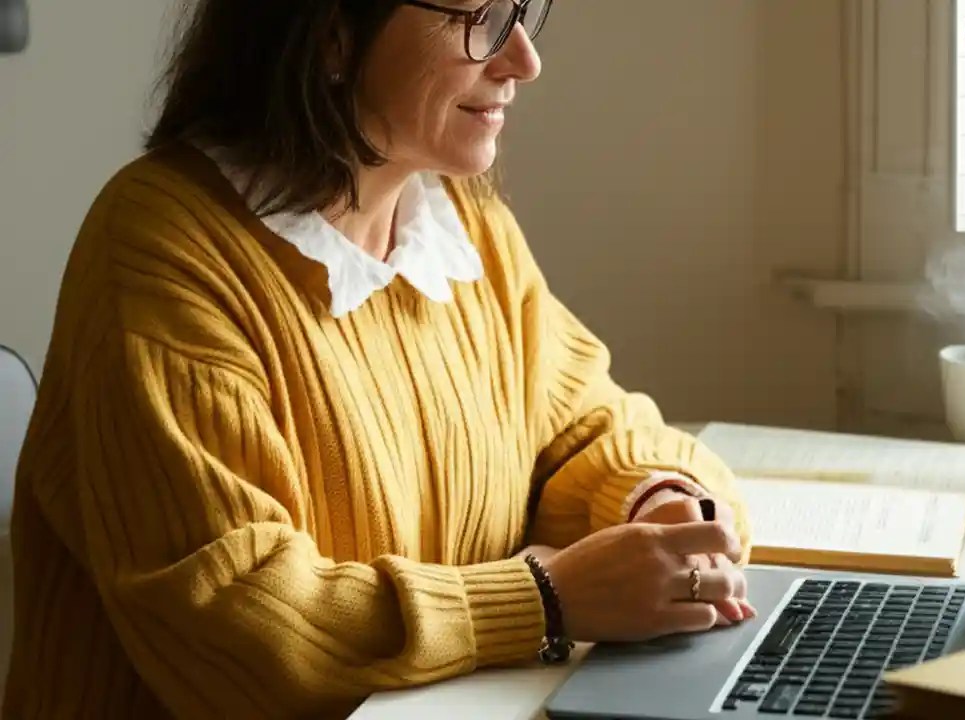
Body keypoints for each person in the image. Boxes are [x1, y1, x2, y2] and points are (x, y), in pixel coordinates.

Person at [1, 1, 756, 718]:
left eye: (522, 13)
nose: (523, 61)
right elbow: (236, 627)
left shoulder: (463, 228)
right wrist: (544, 599)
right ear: (332, 36)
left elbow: (585, 429)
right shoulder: (163, 253)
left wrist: (661, 511)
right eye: (478, 21)